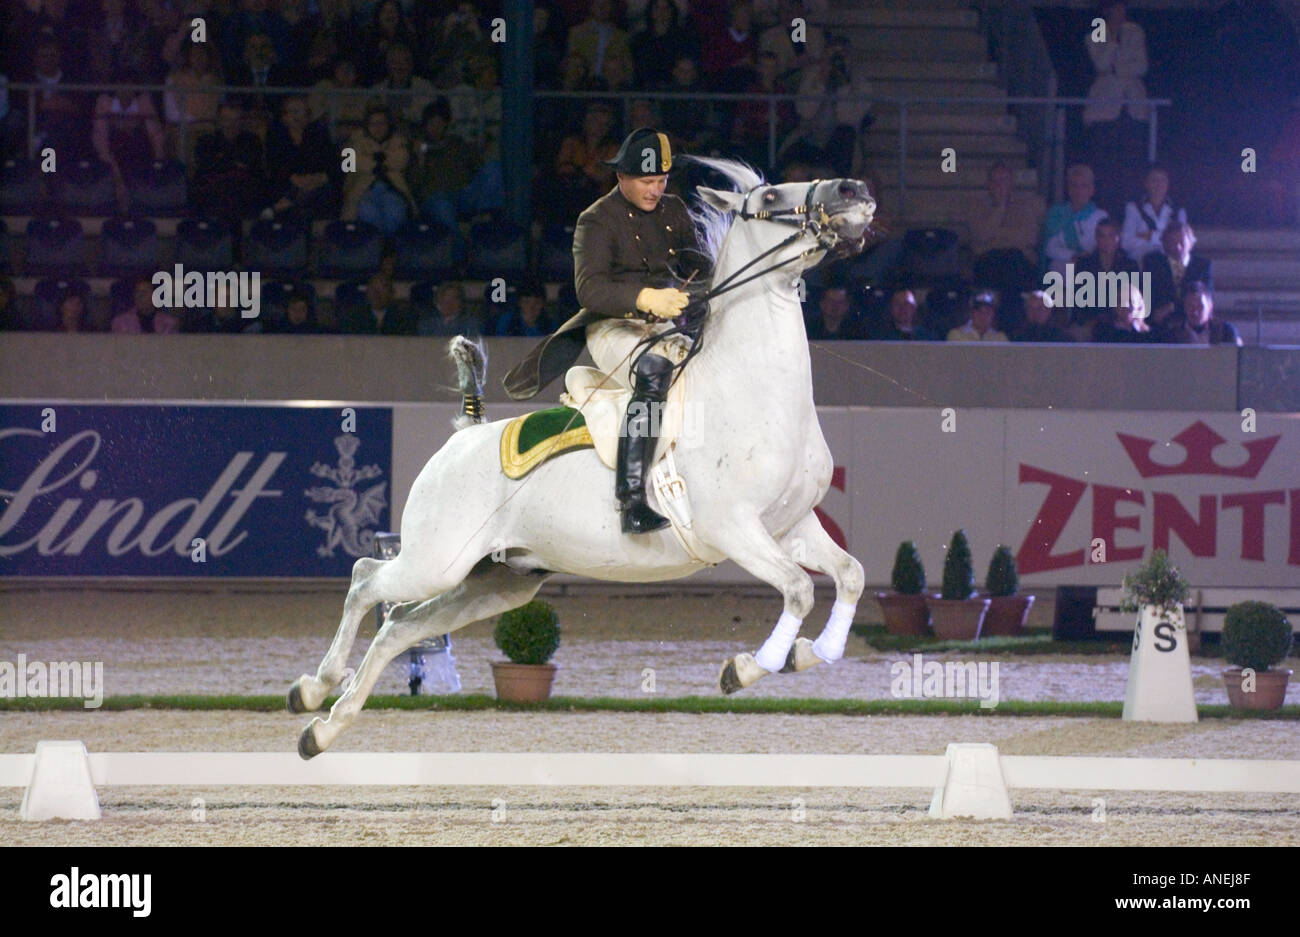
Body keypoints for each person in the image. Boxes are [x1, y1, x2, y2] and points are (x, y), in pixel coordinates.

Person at [502, 128, 707, 534]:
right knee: (652, 372)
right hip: (613, 325)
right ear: (622, 178)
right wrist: (646, 297)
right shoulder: (596, 220)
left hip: (667, 322)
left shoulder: (674, 210)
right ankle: (631, 500)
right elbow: (590, 289)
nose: (655, 190)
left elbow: (699, 266)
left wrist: (698, 295)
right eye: (647, 181)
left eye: (661, 180)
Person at [1082, 1, 1150, 213]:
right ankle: (1105, 213)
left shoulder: (1134, 31)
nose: (1120, 13)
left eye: (1122, 8)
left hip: (1132, 108)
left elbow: (1142, 66)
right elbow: (1101, 63)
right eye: (1115, 8)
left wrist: (1118, 67)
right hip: (1104, 110)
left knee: (1131, 164)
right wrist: (1112, 41)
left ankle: (1130, 213)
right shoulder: (1097, 32)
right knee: (1106, 165)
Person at [968, 161, 1045, 316]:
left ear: (1011, 183)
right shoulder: (976, 207)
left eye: (1003, 180)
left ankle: (1010, 327)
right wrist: (1000, 208)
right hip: (988, 261)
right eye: (995, 181)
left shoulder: (1025, 207)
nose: (999, 185)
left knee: (1013, 266)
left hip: (1017, 261)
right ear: (988, 184)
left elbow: (1029, 237)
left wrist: (995, 235)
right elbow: (981, 234)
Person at [341, 103, 414, 235]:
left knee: (395, 212)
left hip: (392, 189)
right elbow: (349, 162)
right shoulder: (356, 140)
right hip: (363, 191)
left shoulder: (398, 140)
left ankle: (389, 249)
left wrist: (371, 159)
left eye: (381, 123)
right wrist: (379, 163)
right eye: (373, 123)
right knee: (367, 212)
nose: (378, 127)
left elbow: (401, 159)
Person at [263, 94, 337, 220]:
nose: (296, 116)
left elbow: (333, 163)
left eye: (300, 112)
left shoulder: (320, 135)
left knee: (318, 192)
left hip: (315, 184)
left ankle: (282, 205)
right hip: (287, 183)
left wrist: (319, 177)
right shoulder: (275, 136)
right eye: (291, 112)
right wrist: (293, 178)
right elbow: (274, 164)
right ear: (284, 117)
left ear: (308, 115)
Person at [1041, 164, 1108, 277]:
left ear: (1091, 190)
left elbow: (1102, 245)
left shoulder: (1100, 216)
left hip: (1092, 265)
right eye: (1074, 185)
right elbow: (1050, 247)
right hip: (1062, 265)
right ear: (1068, 189)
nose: (1078, 190)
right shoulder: (1057, 213)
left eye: (1084, 186)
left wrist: (1086, 258)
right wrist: (1073, 255)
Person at [1144, 222, 1211, 329]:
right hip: (1160, 325)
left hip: (1193, 323)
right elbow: (1147, 298)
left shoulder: (1202, 266)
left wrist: (1172, 307)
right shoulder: (1152, 264)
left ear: (1191, 242)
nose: (1178, 247)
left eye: (1182, 242)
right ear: (1164, 244)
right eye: (1172, 242)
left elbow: (1205, 299)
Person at [1120, 165, 1186, 264]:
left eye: (1162, 180)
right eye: (1154, 180)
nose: (1159, 185)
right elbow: (1126, 242)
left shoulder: (1178, 211)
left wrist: (1150, 236)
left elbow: (1180, 243)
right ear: (1146, 183)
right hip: (1140, 266)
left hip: (1168, 266)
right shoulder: (1133, 208)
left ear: (1168, 184)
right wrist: (1164, 239)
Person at [1154, 280, 1241, 346]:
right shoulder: (1173, 335)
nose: (1195, 312)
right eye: (1190, 306)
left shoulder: (1225, 332)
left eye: (1200, 307)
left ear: (1210, 306)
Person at [344, 275, 417, 335]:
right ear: (367, 292)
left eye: (382, 289)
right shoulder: (355, 317)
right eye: (373, 289)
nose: (377, 294)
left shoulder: (402, 318)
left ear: (391, 293)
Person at [111, 277, 180, 333]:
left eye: (144, 292)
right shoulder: (120, 323)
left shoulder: (169, 323)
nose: (140, 296)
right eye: (137, 292)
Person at [870, 288, 937, 341]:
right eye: (897, 304)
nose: (902, 308)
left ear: (914, 308)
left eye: (906, 304)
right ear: (891, 308)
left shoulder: (927, 338)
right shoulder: (881, 338)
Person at [418, 281, 482, 336]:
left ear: (461, 302)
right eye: (444, 299)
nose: (449, 304)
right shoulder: (427, 325)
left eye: (454, 299)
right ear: (437, 302)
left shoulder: (470, 325)